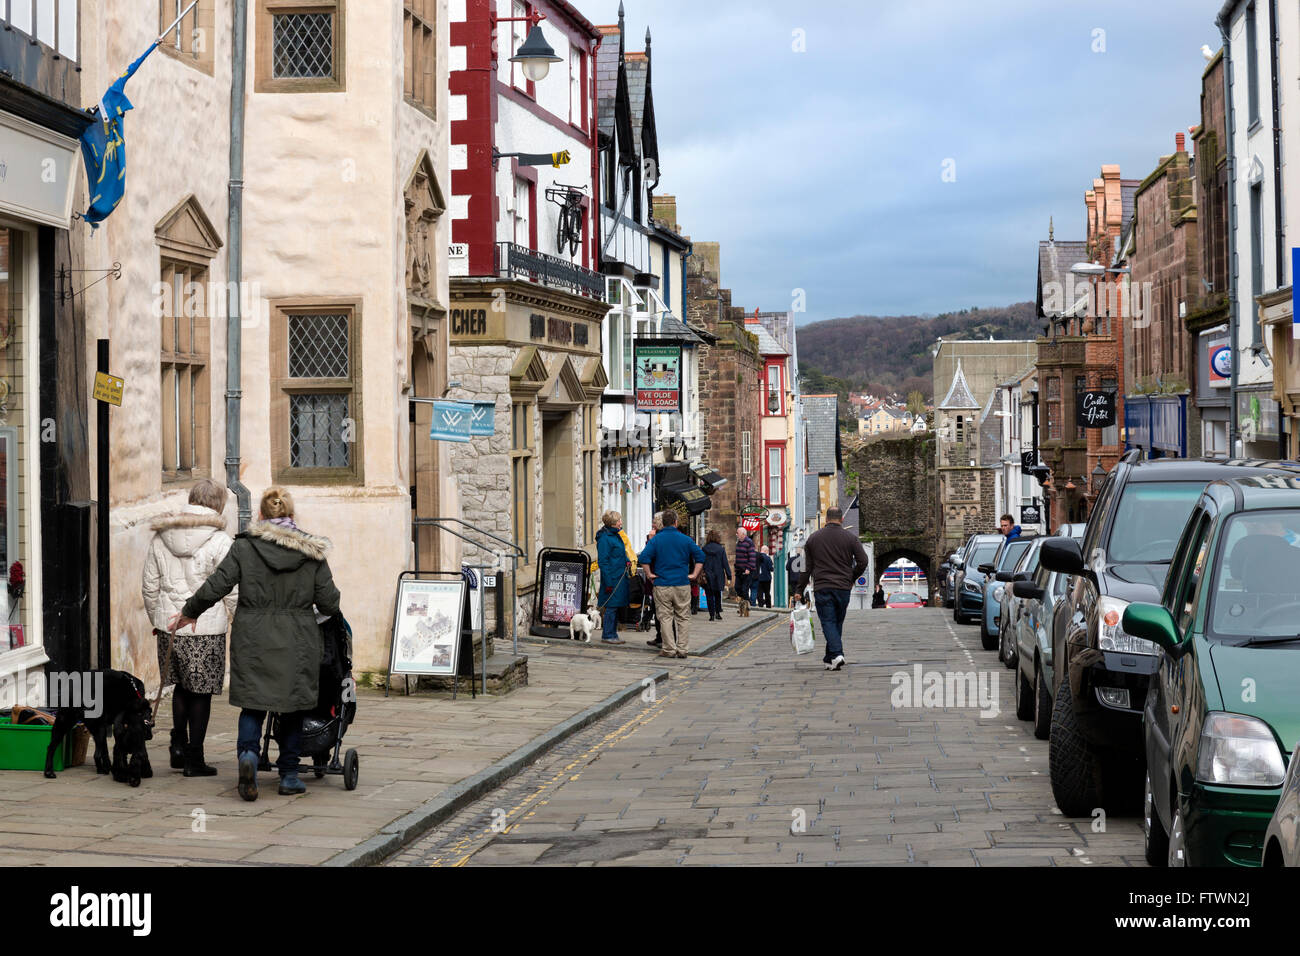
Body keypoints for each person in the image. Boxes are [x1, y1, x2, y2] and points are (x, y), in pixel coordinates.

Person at [170, 487, 341, 801]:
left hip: (253, 638)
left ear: (261, 515)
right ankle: (289, 775)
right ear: (291, 515)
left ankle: (248, 757)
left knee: (253, 705)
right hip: (297, 641)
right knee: (292, 708)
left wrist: (189, 613)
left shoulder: (245, 548)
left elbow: (216, 585)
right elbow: (330, 602)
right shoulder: (311, 552)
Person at [141, 478, 236, 777]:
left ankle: (177, 747)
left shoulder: (161, 537)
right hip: (205, 629)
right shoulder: (221, 542)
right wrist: (235, 620)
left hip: (169, 627)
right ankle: (195, 757)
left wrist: (157, 620)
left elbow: (149, 587)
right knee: (201, 693)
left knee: (181, 687)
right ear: (217, 505)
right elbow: (231, 589)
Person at [793, 507, 869, 672]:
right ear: (841, 519)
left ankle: (837, 654)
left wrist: (799, 588)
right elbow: (863, 561)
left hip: (823, 586)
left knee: (828, 621)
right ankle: (830, 660)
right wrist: (852, 577)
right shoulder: (850, 538)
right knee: (836, 622)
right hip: (843, 587)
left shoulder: (813, 538)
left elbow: (806, 567)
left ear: (826, 519)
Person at [637, 510, 705, 659]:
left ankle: (669, 649)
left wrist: (649, 574)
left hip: (662, 583)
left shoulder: (656, 540)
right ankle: (682, 649)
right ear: (675, 522)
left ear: (663, 523)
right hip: (682, 583)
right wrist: (694, 574)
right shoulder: (686, 539)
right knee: (683, 617)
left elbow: (643, 557)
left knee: (665, 617)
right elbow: (700, 556)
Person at [595, 511, 630, 645]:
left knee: (617, 606)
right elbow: (603, 562)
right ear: (613, 523)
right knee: (611, 606)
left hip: (620, 576)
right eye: (619, 520)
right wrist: (608, 582)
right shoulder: (605, 539)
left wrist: (627, 560)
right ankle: (607, 634)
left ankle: (613, 633)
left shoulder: (616, 535)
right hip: (612, 578)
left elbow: (620, 552)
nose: (621, 522)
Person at [701, 529, 731, 621]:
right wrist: (729, 576)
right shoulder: (721, 549)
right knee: (717, 594)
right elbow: (725, 563)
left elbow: (701, 562)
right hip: (719, 574)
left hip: (708, 574)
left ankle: (711, 615)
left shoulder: (704, 549)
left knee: (709, 595)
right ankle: (718, 613)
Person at [733, 527, 757, 618]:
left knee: (744, 589)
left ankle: (746, 607)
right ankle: (743, 605)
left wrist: (748, 568)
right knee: (737, 588)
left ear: (743, 534)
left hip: (747, 571)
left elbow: (752, 557)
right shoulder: (739, 542)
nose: (736, 534)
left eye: (737, 533)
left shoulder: (749, 542)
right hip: (739, 570)